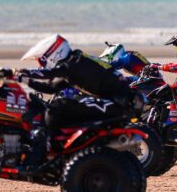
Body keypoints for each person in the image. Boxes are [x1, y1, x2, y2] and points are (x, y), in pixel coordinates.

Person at [15, 35, 137, 169]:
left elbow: (50, 73)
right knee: (62, 106)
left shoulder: (75, 62)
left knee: (55, 108)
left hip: (117, 103)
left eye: (42, 60)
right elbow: (51, 87)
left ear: (54, 53)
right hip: (120, 102)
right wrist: (24, 80)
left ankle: (47, 152)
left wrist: (18, 73)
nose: (42, 64)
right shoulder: (76, 63)